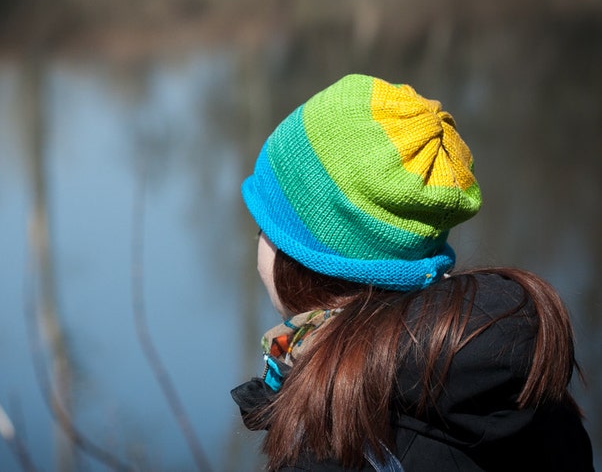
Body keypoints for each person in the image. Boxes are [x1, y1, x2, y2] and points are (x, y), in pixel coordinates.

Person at [231, 74, 594, 471]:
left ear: (309, 259)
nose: (257, 241)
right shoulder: (528, 386)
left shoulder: (334, 447)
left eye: (266, 227)